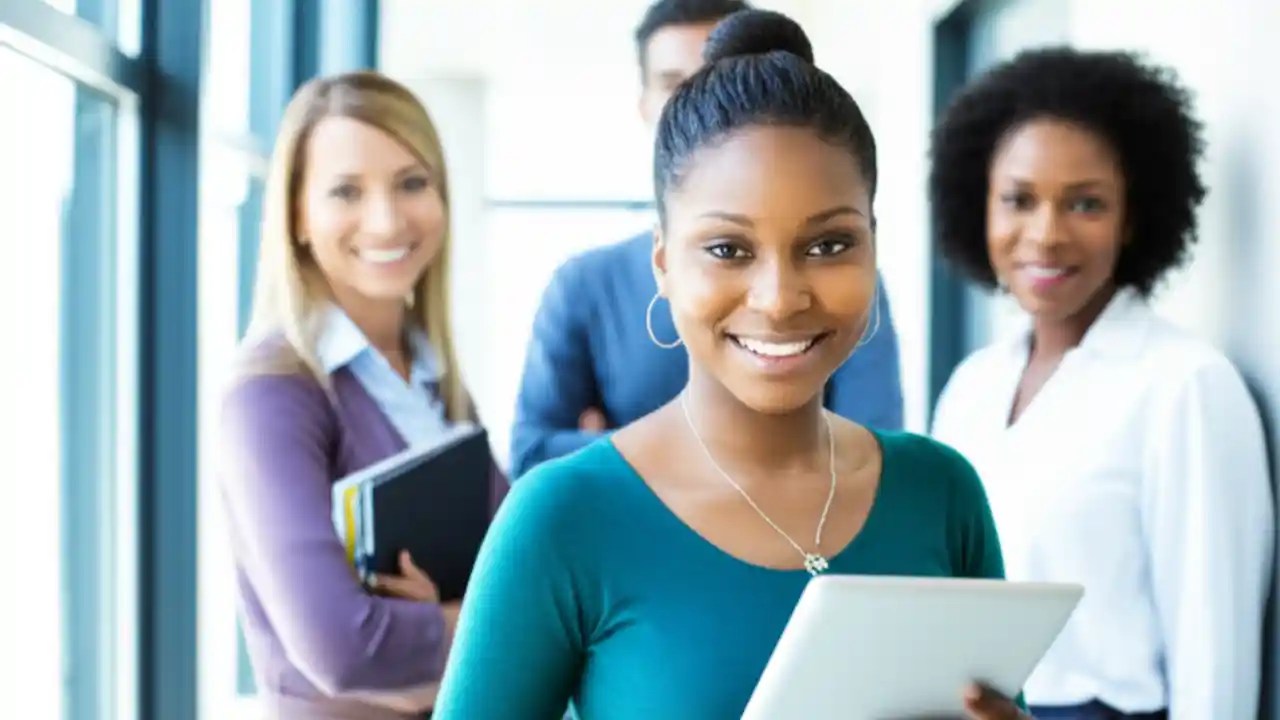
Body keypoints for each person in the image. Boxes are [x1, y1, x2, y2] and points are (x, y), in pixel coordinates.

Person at [434, 11, 1027, 719]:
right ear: (663, 262)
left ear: (874, 245)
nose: (779, 300)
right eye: (727, 249)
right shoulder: (564, 519)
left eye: (830, 244)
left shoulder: (942, 493)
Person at [929, 48, 1274, 720]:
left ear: (1133, 217)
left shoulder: (1186, 387)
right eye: (1018, 200)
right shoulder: (971, 387)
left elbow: (1217, 669)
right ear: (980, 207)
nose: (1046, 235)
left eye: (1085, 203)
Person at [508, 0, 904, 479]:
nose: (777, 301)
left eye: (824, 246)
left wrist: (612, 449)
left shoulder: (843, 284)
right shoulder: (583, 285)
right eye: (678, 85)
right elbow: (533, 454)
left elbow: (869, 450)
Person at [218, 71, 507, 720]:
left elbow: (524, 559)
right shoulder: (272, 394)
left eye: (411, 182)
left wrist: (436, 627)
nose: (386, 219)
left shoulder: (433, 373)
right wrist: (471, 622)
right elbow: (341, 648)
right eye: (346, 191)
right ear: (297, 214)